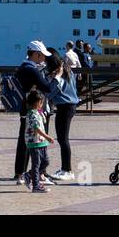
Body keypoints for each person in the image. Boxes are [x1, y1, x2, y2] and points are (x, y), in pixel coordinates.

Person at [12, 40, 55, 184]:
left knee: (22, 141)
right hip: (33, 111)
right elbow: (47, 87)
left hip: (24, 109)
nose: (44, 58)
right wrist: (55, 76)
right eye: (42, 55)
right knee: (35, 143)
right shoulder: (32, 69)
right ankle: (36, 174)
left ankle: (19, 173)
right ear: (36, 54)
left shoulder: (22, 67)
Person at [46, 49, 79, 181]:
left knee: (63, 139)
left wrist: (46, 97)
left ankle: (67, 170)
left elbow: (52, 91)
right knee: (62, 138)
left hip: (64, 106)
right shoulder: (68, 70)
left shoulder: (58, 73)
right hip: (69, 105)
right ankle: (65, 168)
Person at [23, 89, 54, 193]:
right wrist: (48, 137)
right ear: (37, 103)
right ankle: (36, 185)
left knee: (45, 161)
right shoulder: (32, 114)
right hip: (34, 142)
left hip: (41, 142)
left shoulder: (37, 113)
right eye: (41, 102)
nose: (42, 104)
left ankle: (29, 175)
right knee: (36, 164)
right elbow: (36, 128)